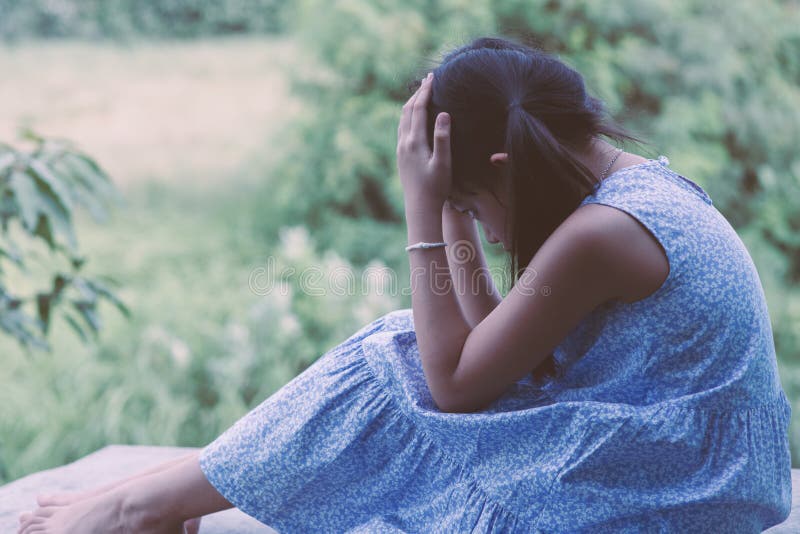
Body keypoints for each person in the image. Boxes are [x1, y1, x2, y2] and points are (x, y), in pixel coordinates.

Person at [18, 35, 792, 533]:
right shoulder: (626, 193)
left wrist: (425, 207)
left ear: (501, 168)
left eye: (474, 206)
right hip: (678, 453)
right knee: (404, 347)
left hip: (688, 480)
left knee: (396, 360)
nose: (485, 230)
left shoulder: (603, 233)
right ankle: (154, 498)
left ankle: (140, 506)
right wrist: (453, 211)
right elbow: (496, 355)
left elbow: (456, 386)